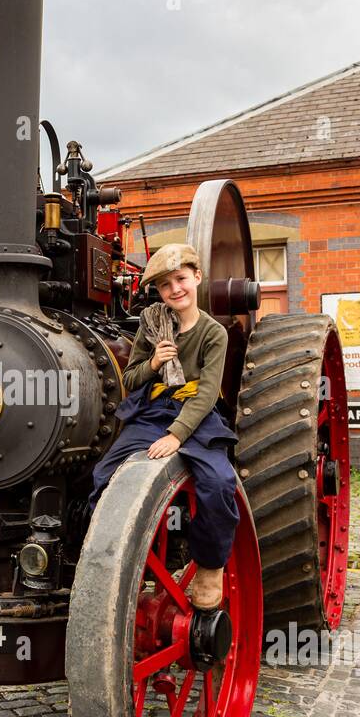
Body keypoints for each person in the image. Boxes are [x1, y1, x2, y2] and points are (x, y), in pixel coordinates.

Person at [89, 243, 239, 610]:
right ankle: (115, 562)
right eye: (165, 285)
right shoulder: (152, 326)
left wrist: (177, 435)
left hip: (198, 416)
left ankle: (209, 566)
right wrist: (154, 362)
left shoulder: (213, 333)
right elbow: (132, 377)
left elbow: (206, 393)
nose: (175, 289)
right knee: (103, 475)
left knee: (219, 483)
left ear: (197, 277)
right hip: (154, 411)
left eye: (181, 279)